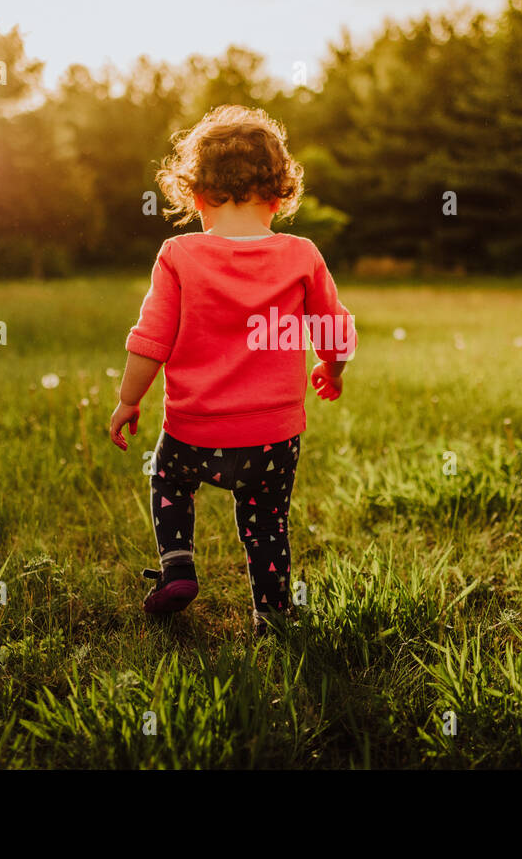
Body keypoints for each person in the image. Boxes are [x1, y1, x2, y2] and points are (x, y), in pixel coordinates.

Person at [108, 105, 357, 636]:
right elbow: (334, 330)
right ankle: (271, 614)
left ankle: (177, 566)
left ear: (196, 197)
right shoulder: (301, 254)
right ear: (279, 195)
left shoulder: (179, 254)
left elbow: (151, 340)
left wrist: (129, 401)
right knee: (266, 521)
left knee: (169, 479)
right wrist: (331, 371)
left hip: (194, 428)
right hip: (273, 434)